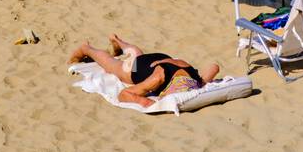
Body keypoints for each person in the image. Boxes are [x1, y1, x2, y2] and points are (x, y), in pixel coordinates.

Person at [68, 34, 219, 108]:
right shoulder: (158, 78)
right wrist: (144, 102)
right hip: (143, 66)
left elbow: (215, 67)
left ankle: (119, 43)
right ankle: (86, 49)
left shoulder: (195, 80)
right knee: (111, 65)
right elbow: (124, 94)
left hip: (162, 59)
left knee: (139, 58)